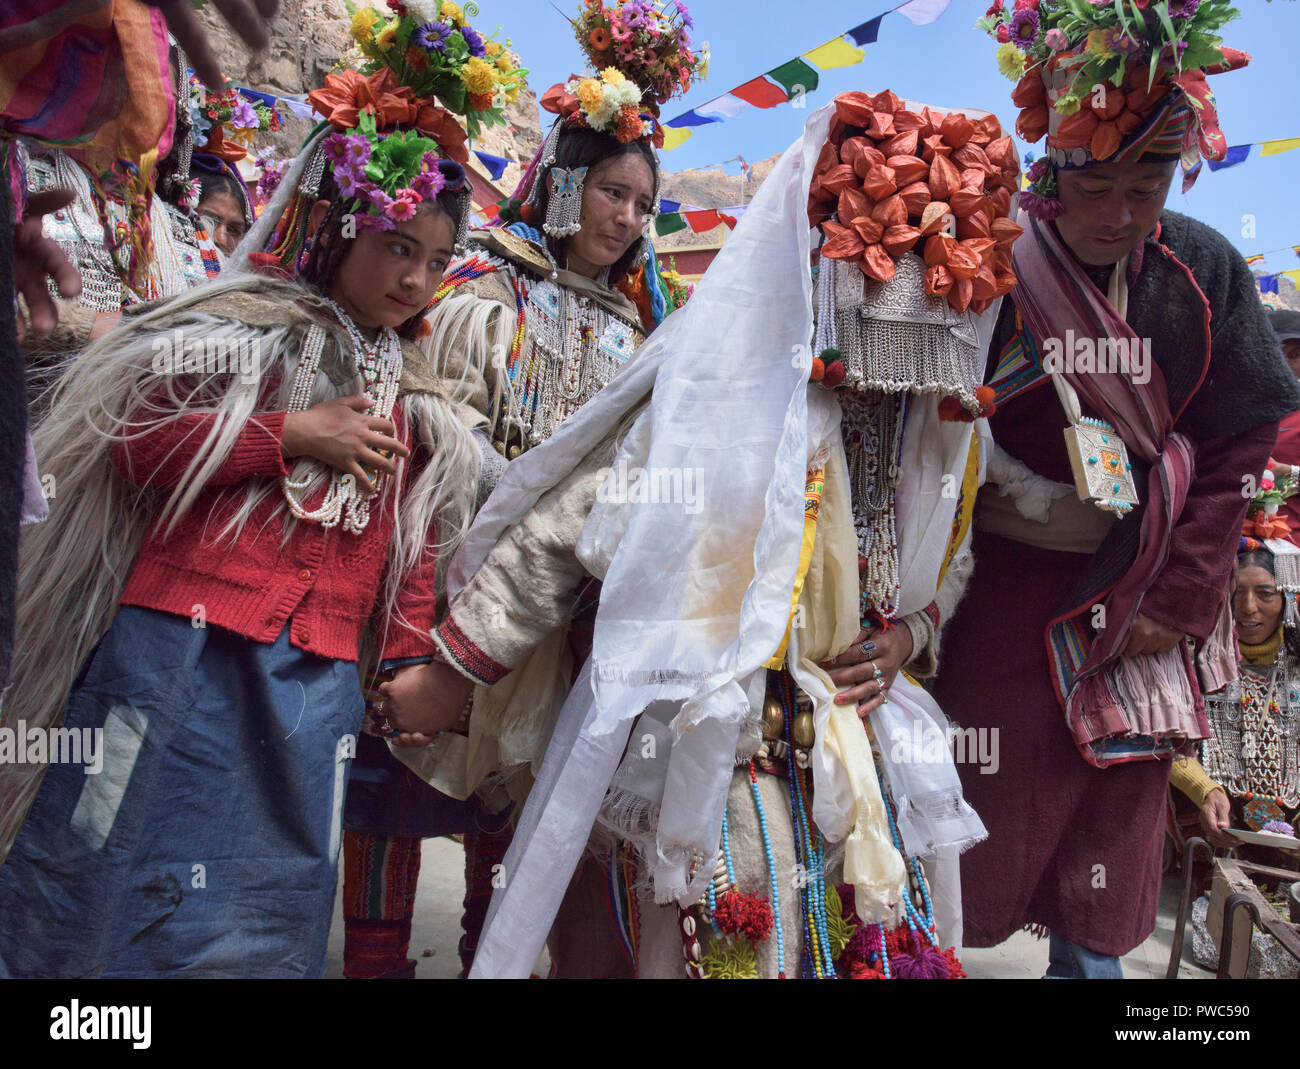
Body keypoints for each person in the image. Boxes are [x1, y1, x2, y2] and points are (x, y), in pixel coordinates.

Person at [389, 88, 1018, 979]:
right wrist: (454, 667)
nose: (912, 335)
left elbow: (946, 563)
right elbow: (572, 529)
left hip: (856, 770)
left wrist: (912, 631)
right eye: (893, 284)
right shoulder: (731, 379)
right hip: (706, 762)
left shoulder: (945, 420)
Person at [0, 63, 481, 978]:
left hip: (316, 682)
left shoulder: (414, 398)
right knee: (99, 859)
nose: (415, 277)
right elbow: (138, 445)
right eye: (394, 245)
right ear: (336, 226)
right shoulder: (240, 328)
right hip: (171, 656)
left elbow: (413, 545)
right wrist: (289, 432)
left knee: (267, 897)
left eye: (434, 259)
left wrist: (411, 654)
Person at [933, 3, 1300, 978]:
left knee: (1110, 847)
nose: (1120, 209)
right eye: (1096, 176)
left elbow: (1236, 441)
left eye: (1148, 179)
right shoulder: (992, 261)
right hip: (996, 593)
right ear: (1051, 158)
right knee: (964, 825)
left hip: (1138, 595)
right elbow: (924, 437)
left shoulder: (1203, 269)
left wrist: (1178, 600)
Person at [347, 2, 694, 979]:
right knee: (392, 785)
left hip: (549, 614)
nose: (626, 218)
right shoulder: (484, 294)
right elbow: (426, 433)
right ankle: (370, 966)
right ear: (566, 182)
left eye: (641, 203)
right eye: (611, 193)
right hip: (445, 582)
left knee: (511, 797)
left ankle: (480, 962)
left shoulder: (639, 341)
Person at [1172, 535, 1300, 848]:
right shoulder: (1192, 659)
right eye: (1237, 592)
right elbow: (1164, 740)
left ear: (1287, 599)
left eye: (1266, 593)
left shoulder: (1295, 665)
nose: (1248, 607)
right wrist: (1205, 790)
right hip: (1203, 832)